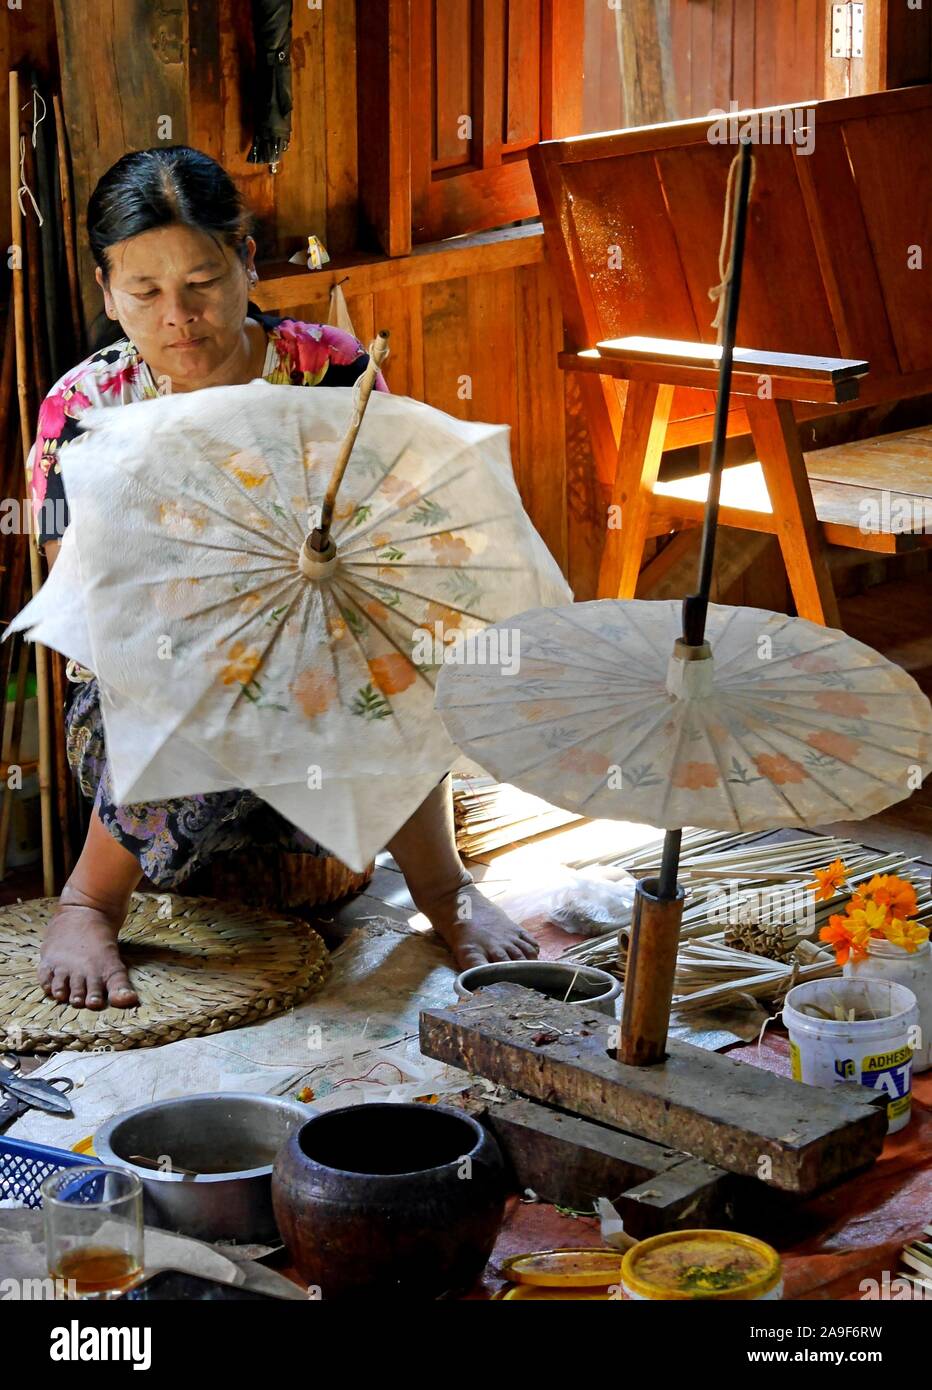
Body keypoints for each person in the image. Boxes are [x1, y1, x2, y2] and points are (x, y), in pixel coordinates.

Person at [29, 146, 538, 1011]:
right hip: (144, 673)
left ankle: (443, 890)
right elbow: (75, 588)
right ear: (107, 292)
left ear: (246, 262)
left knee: (394, 631)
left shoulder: (328, 368)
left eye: (201, 282)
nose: (178, 317)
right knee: (180, 664)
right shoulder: (86, 406)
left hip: (328, 641)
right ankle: (89, 900)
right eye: (145, 294)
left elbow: (395, 523)